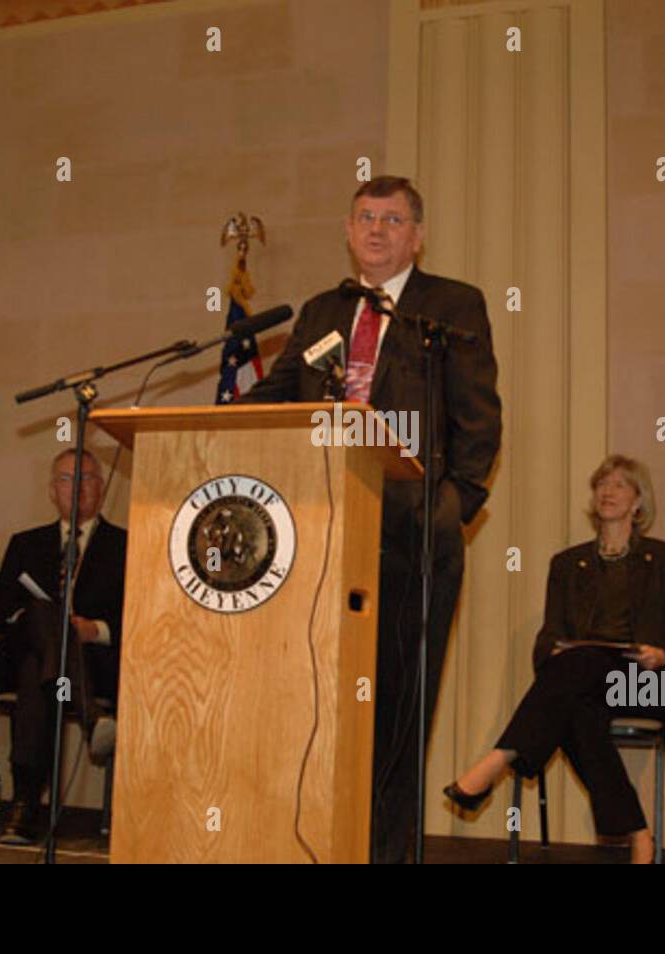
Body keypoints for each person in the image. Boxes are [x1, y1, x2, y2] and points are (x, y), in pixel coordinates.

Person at [241, 175, 502, 862]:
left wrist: (451, 511)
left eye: (392, 219)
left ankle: (385, 854)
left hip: (411, 537)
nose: (377, 230)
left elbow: (480, 423)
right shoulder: (325, 308)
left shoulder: (451, 305)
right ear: (349, 231)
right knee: (319, 704)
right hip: (318, 533)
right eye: (364, 218)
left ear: (417, 235)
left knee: (394, 713)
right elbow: (278, 396)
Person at [444, 455, 665, 863]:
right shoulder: (567, 564)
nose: (607, 492)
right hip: (582, 682)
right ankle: (639, 832)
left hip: (643, 681)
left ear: (637, 501)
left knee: (579, 668)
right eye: (602, 484)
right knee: (579, 700)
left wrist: (662, 653)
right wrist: (558, 651)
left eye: (619, 485)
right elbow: (547, 639)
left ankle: (499, 758)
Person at [0, 449, 127, 844]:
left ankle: (25, 806)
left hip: (93, 664)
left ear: (101, 489)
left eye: (88, 479)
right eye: (67, 479)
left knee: (38, 672)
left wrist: (93, 630)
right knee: (43, 617)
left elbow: (141, 617)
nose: (77, 488)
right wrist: (38, 621)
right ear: (52, 491)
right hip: (23, 652)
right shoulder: (25, 543)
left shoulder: (126, 546)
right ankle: (91, 718)